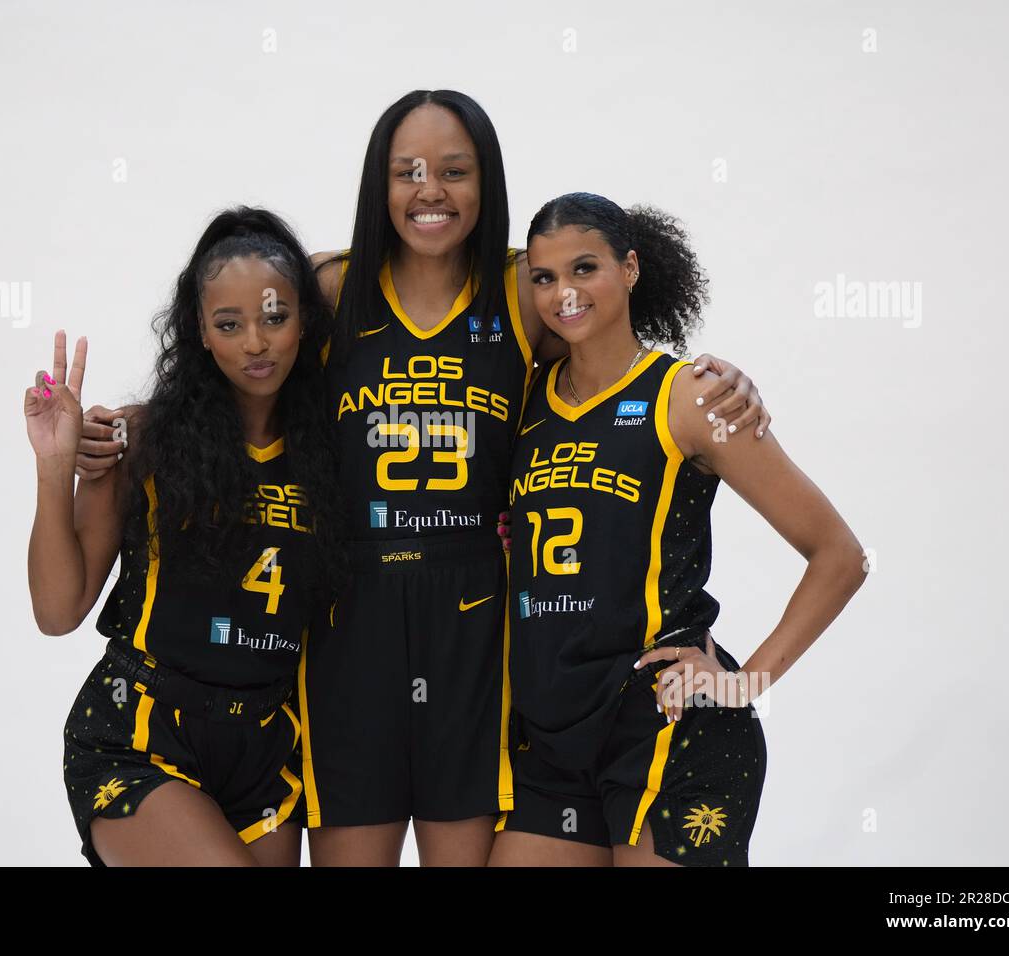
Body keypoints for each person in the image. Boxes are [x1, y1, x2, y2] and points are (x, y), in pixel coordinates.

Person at [78, 90, 773, 866]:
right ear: (380, 182)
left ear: (487, 183)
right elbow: (241, 357)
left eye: (454, 170)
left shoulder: (521, 292)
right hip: (349, 620)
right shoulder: (333, 288)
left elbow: (612, 348)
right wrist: (141, 421)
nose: (430, 189)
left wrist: (716, 378)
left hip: (475, 627)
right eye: (407, 170)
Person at [489, 193, 866, 866]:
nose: (563, 294)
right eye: (544, 277)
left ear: (630, 268)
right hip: (551, 733)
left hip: (666, 729)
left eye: (585, 269)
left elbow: (839, 555)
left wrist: (743, 682)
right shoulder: (524, 405)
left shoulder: (690, 396)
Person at [24, 207, 345, 865]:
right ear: (200, 330)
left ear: (305, 319)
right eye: (230, 324)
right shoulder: (141, 440)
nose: (255, 342)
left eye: (275, 317)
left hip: (263, 751)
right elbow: (57, 611)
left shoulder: (336, 455)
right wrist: (55, 467)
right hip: (140, 735)